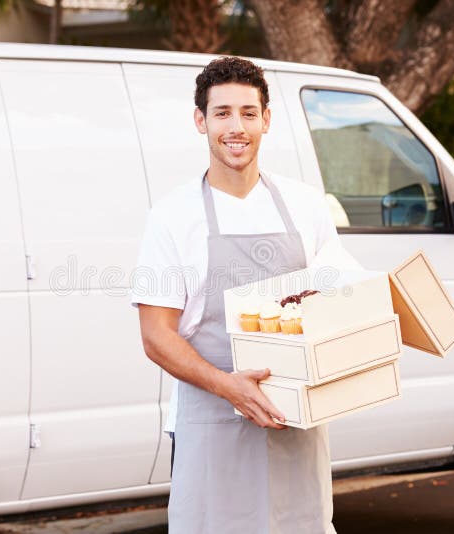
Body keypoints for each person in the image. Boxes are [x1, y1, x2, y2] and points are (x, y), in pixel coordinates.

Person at [132, 56, 341, 533]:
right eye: (222, 112)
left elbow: (336, 301)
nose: (236, 127)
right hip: (211, 426)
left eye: (248, 113)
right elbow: (155, 335)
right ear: (201, 121)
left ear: (266, 120)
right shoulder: (171, 217)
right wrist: (230, 387)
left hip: (297, 426)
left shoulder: (306, 207)